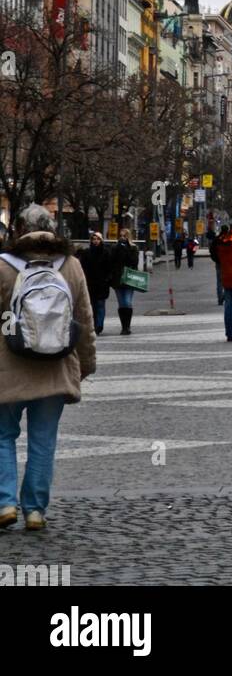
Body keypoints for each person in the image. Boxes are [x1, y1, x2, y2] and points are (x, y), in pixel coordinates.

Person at [0, 206, 96, 531]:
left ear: (20, 229)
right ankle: (35, 510)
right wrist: (86, 363)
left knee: (2, 436)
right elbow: (83, 318)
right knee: (44, 439)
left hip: (7, 367)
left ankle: (4, 503)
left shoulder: (2, 266)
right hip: (56, 366)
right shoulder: (71, 266)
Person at [78, 231, 111, 334]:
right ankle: (93, 324)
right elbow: (82, 267)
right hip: (90, 283)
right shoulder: (87, 253)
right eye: (94, 239)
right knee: (91, 305)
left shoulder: (106, 252)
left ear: (101, 240)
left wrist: (107, 279)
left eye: (97, 239)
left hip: (102, 283)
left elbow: (110, 268)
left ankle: (99, 325)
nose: (95, 241)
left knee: (100, 304)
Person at [109, 227, 140, 336]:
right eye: (121, 236)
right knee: (121, 303)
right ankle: (123, 326)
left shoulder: (133, 248)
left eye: (125, 236)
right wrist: (118, 248)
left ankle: (127, 326)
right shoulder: (115, 248)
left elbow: (134, 262)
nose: (122, 238)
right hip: (117, 279)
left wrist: (126, 248)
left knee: (127, 302)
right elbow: (112, 261)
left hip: (129, 278)